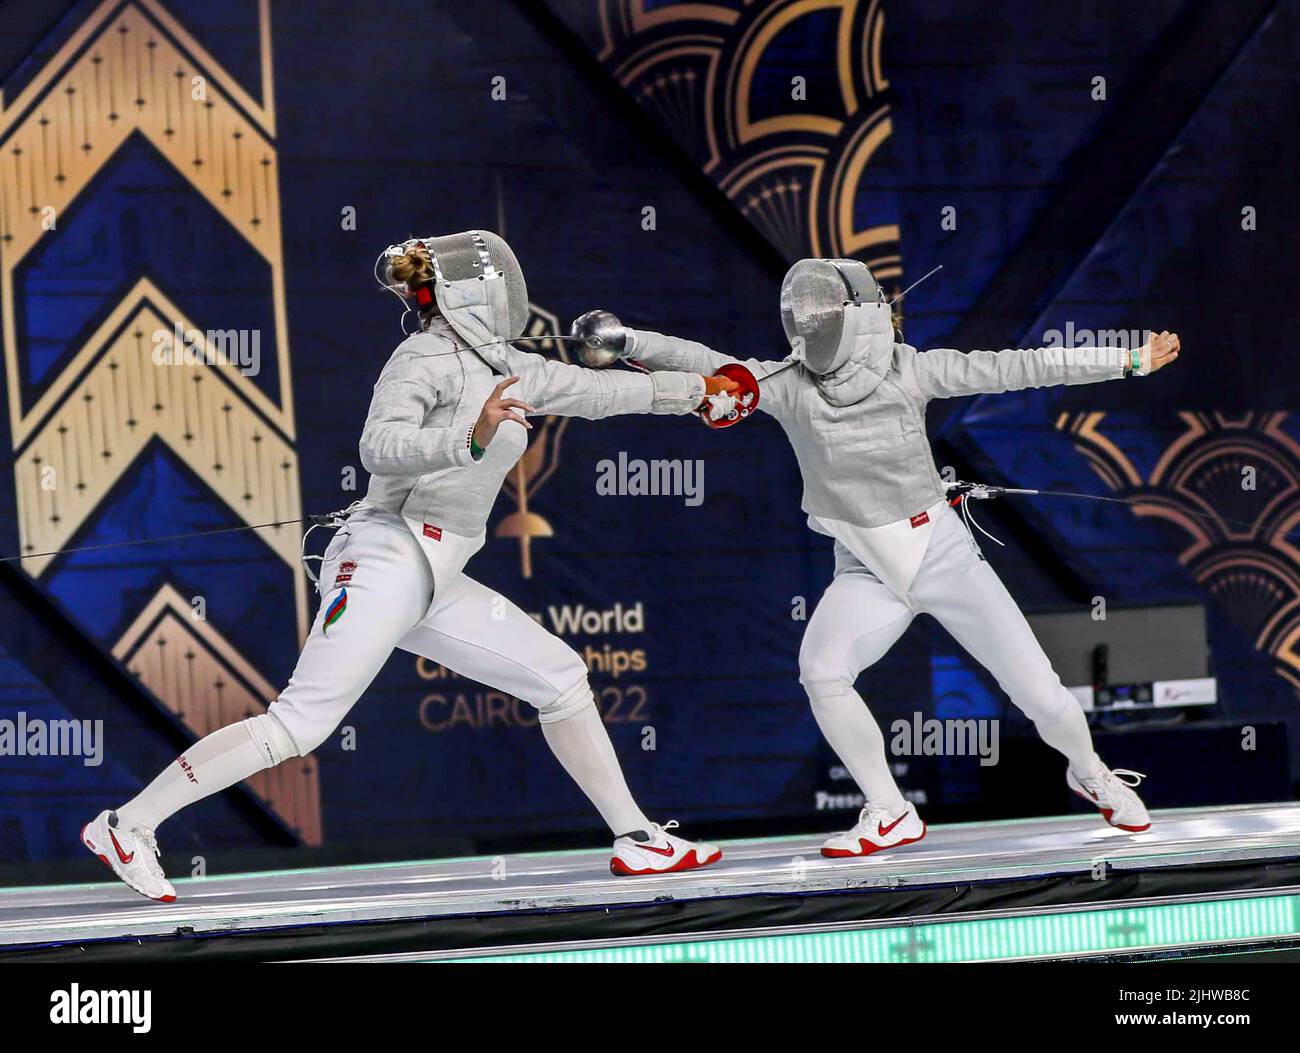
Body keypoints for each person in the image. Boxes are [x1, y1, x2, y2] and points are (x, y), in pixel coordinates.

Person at [82, 231, 739, 901]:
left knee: (562, 678)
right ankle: (126, 824)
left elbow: (599, 393)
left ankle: (635, 839)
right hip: (384, 557)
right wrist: (470, 434)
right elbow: (380, 445)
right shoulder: (420, 355)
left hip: (433, 575)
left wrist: (700, 391)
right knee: (299, 724)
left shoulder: (510, 365)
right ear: (473, 290)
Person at [572, 258, 1181, 857]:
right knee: (824, 672)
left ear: (857, 320)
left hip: (942, 557)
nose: (808, 327)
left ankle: (1090, 771)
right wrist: (629, 340)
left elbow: (1024, 366)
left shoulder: (912, 371)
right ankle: (890, 810)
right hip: (865, 567)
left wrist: (1127, 359)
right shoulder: (788, 384)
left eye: (823, 314)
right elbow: (705, 363)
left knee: (1041, 695)